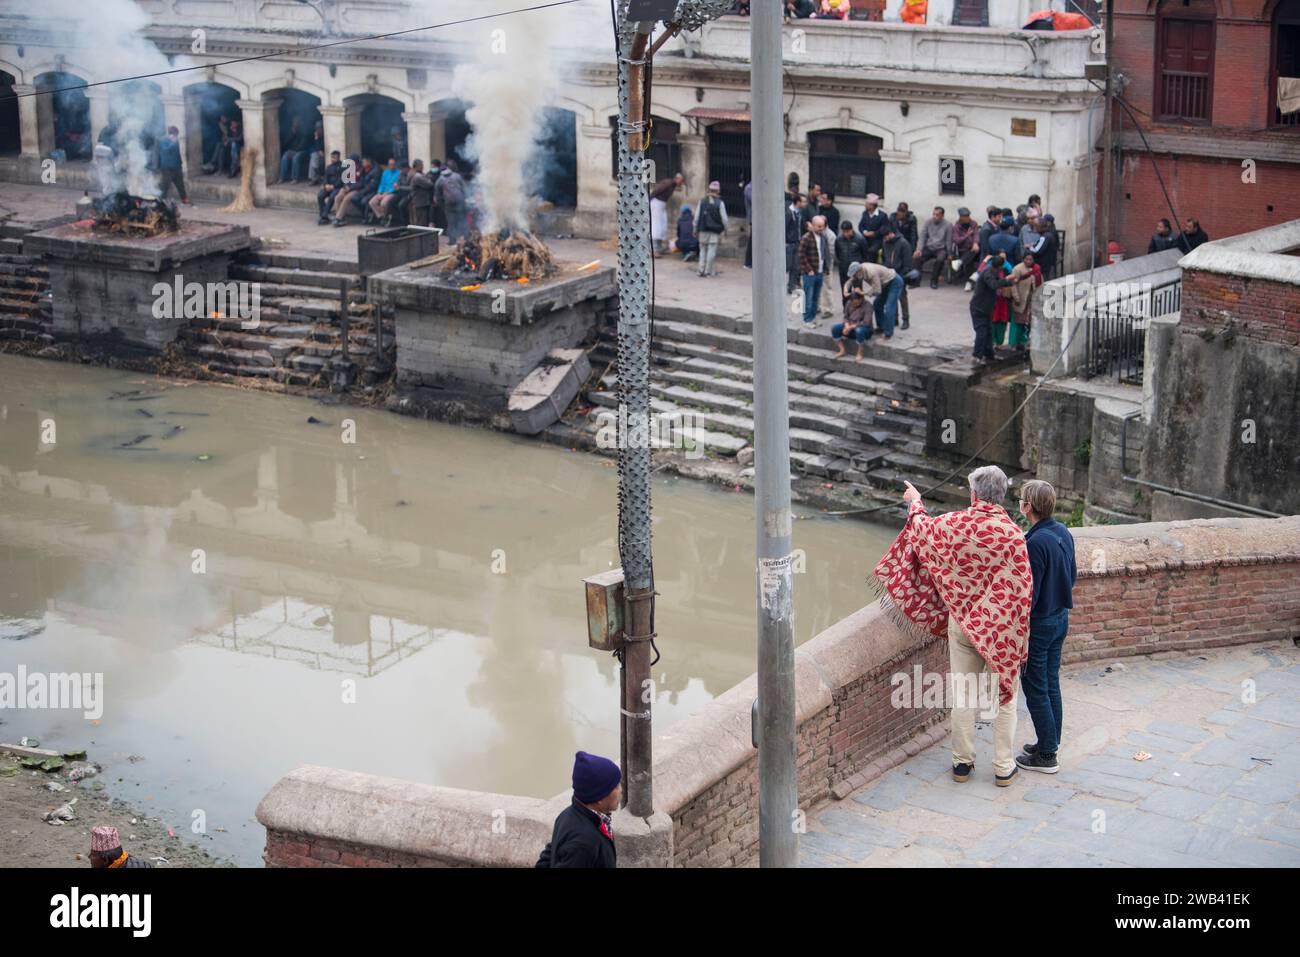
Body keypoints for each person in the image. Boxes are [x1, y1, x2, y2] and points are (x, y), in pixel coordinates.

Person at [874, 466, 1032, 787]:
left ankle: (962, 763)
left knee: (964, 694)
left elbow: (921, 530)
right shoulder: (1013, 536)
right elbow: (1022, 591)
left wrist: (916, 501)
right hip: (999, 631)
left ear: (973, 494)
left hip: (962, 623)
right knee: (1005, 697)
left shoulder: (954, 524)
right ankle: (1003, 767)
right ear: (1003, 496)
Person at [1015, 480, 1076, 775]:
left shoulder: (1035, 544)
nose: (1019, 503)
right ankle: (1049, 742)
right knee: (1051, 682)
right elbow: (1071, 575)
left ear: (1028, 506)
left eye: (1021, 499)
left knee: (1035, 686)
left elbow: (1031, 593)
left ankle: (1047, 755)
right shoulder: (1062, 532)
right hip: (1060, 618)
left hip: (1040, 624)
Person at [536, 751, 620, 868]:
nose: (621, 790)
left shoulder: (567, 815)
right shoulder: (586, 842)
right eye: (616, 787)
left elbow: (551, 853)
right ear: (599, 797)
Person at [970, 249, 1015, 362]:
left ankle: (989, 355)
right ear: (998, 267)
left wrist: (1010, 282)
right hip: (978, 308)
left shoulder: (994, 272)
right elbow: (994, 285)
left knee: (989, 332)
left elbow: (999, 281)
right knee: (981, 332)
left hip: (987, 308)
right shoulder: (987, 273)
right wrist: (1006, 280)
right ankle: (977, 355)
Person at [854, 260, 903, 339]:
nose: (855, 277)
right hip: (885, 284)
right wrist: (845, 288)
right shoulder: (860, 269)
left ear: (859, 271)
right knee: (877, 304)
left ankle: (888, 333)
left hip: (894, 282)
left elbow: (877, 291)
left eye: (855, 274)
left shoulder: (871, 273)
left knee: (889, 308)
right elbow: (851, 280)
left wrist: (863, 293)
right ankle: (881, 327)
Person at [797, 214, 831, 326]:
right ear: (813, 225)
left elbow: (824, 253)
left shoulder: (823, 237)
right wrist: (808, 270)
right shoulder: (806, 237)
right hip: (810, 273)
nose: (821, 228)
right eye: (819, 226)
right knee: (808, 297)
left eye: (822, 226)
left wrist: (825, 268)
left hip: (819, 271)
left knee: (816, 297)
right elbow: (801, 254)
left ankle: (812, 318)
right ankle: (807, 320)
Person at [882, 226, 918, 330]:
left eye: (886, 236)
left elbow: (908, 263)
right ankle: (895, 319)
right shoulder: (885, 243)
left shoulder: (903, 243)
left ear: (891, 233)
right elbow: (885, 258)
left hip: (900, 274)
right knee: (891, 297)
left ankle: (906, 319)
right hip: (889, 274)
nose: (884, 239)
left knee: (902, 297)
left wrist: (901, 275)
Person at [1006, 251, 1042, 352]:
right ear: (1023, 259)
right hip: (1020, 300)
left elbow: (1040, 283)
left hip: (1031, 300)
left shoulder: (1036, 269)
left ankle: (1023, 342)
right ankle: (1013, 343)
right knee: (1017, 322)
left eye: (1031, 259)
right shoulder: (1017, 269)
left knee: (1028, 322)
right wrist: (1016, 297)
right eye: (1027, 259)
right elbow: (1013, 284)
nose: (1029, 261)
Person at [694, 180, 729, 277]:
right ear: (718, 191)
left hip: (703, 230)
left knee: (702, 251)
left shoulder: (702, 201)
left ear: (709, 190)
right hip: (715, 231)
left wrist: (695, 229)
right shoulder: (720, 203)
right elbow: (725, 219)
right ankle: (707, 271)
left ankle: (700, 270)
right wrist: (726, 230)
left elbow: (696, 217)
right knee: (711, 252)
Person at [831, 286, 871, 362]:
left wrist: (851, 327)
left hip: (864, 329)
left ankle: (860, 353)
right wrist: (846, 325)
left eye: (856, 303)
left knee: (859, 331)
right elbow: (846, 317)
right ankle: (842, 350)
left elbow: (866, 322)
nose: (854, 305)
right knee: (835, 329)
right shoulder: (849, 303)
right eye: (853, 303)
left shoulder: (868, 305)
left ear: (861, 299)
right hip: (850, 326)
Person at [916, 205, 952, 289]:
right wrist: (919, 249)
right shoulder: (928, 222)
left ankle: (934, 281)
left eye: (937, 215)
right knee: (917, 258)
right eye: (934, 214)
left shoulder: (948, 225)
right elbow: (922, 237)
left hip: (941, 248)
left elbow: (948, 240)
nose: (935, 216)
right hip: (929, 247)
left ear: (942, 216)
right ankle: (916, 280)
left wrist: (950, 253)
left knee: (940, 260)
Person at [649, 172, 684, 255]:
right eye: (681, 181)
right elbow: (656, 190)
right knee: (656, 226)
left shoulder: (673, 185)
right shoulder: (667, 183)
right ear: (677, 179)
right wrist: (649, 200)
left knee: (662, 226)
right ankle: (654, 249)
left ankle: (659, 248)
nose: (681, 183)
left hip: (661, 205)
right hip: (656, 204)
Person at [834, 220, 868, 304]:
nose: (846, 234)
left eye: (848, 231)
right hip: (844, 269)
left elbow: (865, 254)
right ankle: (846, 308)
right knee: (845, 291)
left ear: (852, 229)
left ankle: (860, 308)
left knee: (858, 291)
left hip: (857, 271)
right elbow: (837, 253)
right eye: (844, 232)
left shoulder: (860, 239)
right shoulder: (838, 240)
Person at [436, 159, 469, 241]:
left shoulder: (440, 179)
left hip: (448, 204)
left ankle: (452, 240)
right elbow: (465, 189)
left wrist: (442, 205)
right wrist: (465, 199)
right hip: (460, 202)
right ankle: (466, 238)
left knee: (451, 223)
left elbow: (438, 195)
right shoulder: (457, 176)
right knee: (462, 220)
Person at [157, 126, 189, 205]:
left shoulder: (176, 141)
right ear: (171, 134)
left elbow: (178, 153)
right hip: (167, 168)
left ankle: (184, 199)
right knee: (165, 186)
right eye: (175, 135)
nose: (176, 137)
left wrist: (180, 163)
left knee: (180, 185)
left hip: (177, 167)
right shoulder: (163, 141)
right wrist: (172, 143)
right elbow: (165, 151)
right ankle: (161, 202)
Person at [950, 207, 980, 284]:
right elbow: (956, 240)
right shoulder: (956, 227)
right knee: (970, 260)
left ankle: (960, 262)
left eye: (968, 216)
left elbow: (976, 234)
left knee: (974, 252)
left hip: (974, 248)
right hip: (964, 249)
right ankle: (970, 281)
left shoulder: (973, 224)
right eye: (966, 216)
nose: (968, 218)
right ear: (961, 217)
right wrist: (966, 235)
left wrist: (975, 243)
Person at [367, 157, 402, 223]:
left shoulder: (399, 173)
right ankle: (381, 216)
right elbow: (382, 184)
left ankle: (386, 217)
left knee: (383, 203)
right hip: (383, 192)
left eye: (393, 164)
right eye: (390, 164)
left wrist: (386, 193)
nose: (391, 166)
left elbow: (396, 186)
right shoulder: (385, 172)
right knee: (372, 202)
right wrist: (379, 192)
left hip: (392, 193)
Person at [857, 193, 889, 264]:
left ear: (872, 205)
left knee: (872, 251)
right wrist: (864, 232)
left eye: (867, 204)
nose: (865, 205)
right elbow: (860, 226)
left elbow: (884, 229)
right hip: (865, 238)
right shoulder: (865, 213)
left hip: (877, 240)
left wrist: (874, 233)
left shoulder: (882, 216)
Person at [786, 192, 807, 294]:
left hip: (797, 241)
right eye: (803, 202)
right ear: (798, 202)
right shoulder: (789, 212)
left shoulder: (799, 213)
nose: (805, 204)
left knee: (795, 266)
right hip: (790, 242)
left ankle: (791, 285)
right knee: (788, 265)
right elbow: (785, 227)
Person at [316, 150, 344, 225]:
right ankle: (322, 214)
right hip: (328, 186)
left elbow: (341, 180)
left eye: (335, 157)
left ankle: (324, 216)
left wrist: (333, 186)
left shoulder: (342, 167)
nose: (333, 159)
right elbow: (325, 178)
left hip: (337, 187)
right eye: (332, 157)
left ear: (338, 158)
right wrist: (326, 185)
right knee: (320, 196)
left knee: (332, 197)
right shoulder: (329, 167)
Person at [279, 119, 311, 183]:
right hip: (292, 151)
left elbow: (303, 145)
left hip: (302, 151)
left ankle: (295, 178)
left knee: (296, 158)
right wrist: (292, 135)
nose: (295, 125)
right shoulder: (291, 132)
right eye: (294, 123)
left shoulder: (303, 133)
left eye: (297, 123)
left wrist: (294, 151)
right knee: (285, 156)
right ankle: (281, 177)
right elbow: (285, 143)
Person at [408, 159, 435, 227]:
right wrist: (430, 179)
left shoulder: (419, 174)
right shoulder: (417, 176)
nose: (423, 167)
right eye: (421, 165)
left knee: (423, 220)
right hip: (420, 202)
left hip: (422, 201)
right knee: (422, 222)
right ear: (417, 166)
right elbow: (429, 184)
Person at [1036, 214, 1060, 280]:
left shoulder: (1049, 233)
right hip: (1050, 256)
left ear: (1048, 222)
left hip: (1049, 259)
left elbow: (1039, 250)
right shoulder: (1050, 230)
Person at [743, 178, 754, 268]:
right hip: (753, 218)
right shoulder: (749, 188)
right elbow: (754, 200)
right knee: (753, 239)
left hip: (758, 217)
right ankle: (748, 262)